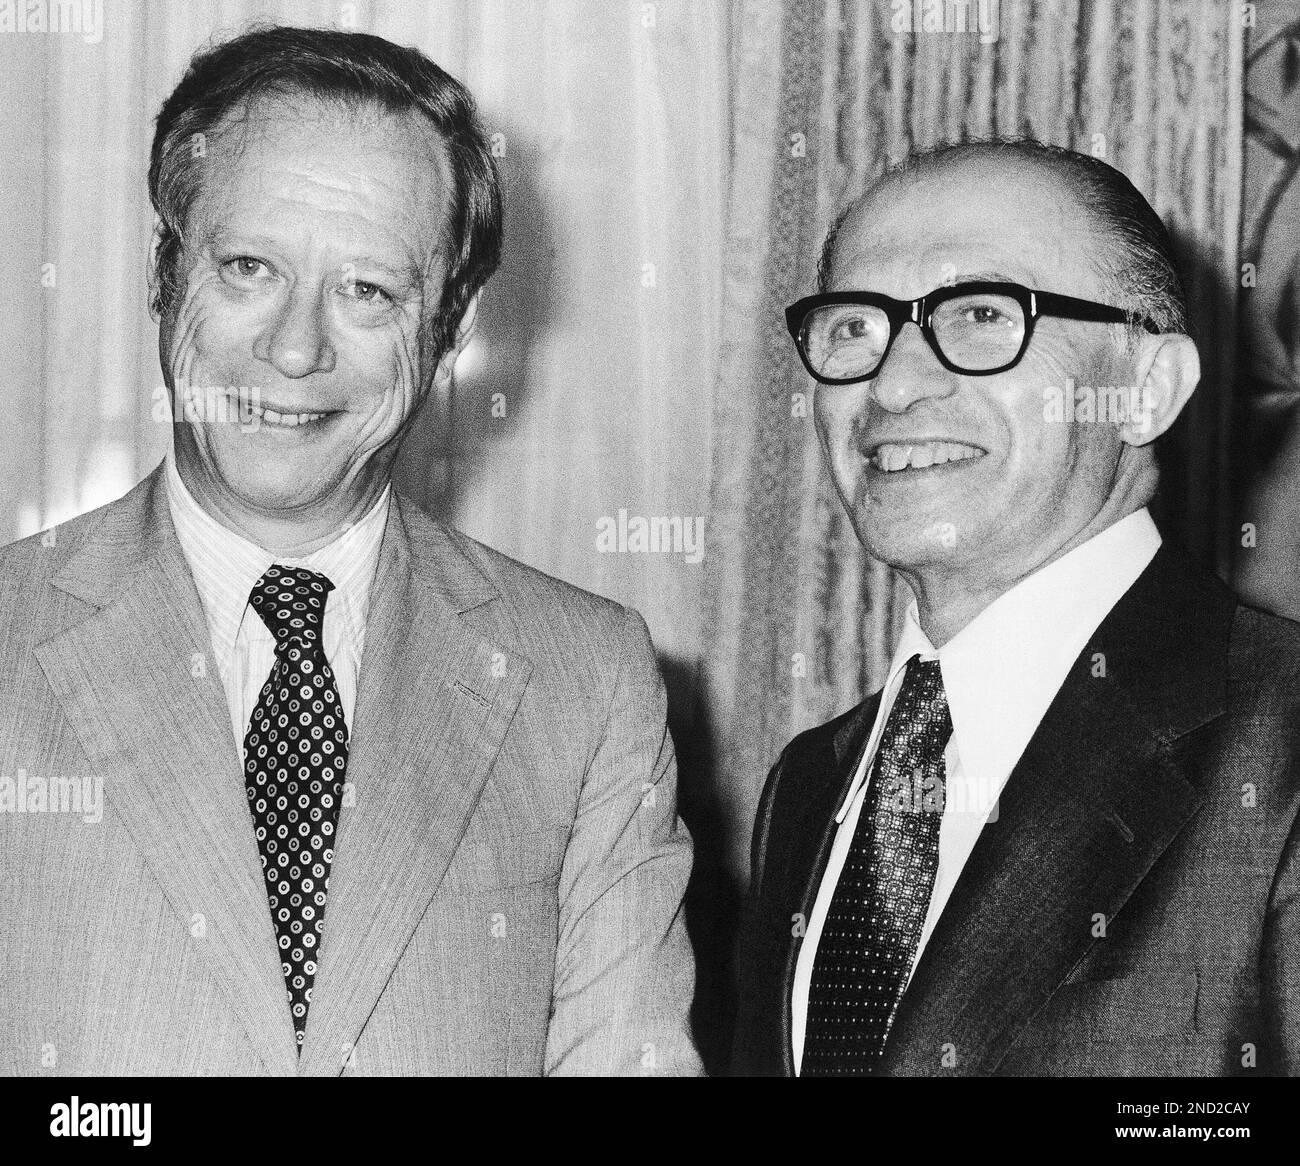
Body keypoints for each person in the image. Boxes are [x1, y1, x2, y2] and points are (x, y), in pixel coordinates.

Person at [0, 25, 700, 1077]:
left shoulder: (589, 681)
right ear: (164, 274)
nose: (295, 348)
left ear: (452, 325)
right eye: (248, 268)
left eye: (367, 290)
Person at [733, 139, 1300, 1076]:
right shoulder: (808, 785)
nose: (894, 385)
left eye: (982, 315)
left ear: (1147, 389)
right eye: (854, 328)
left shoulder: (1280, 744)